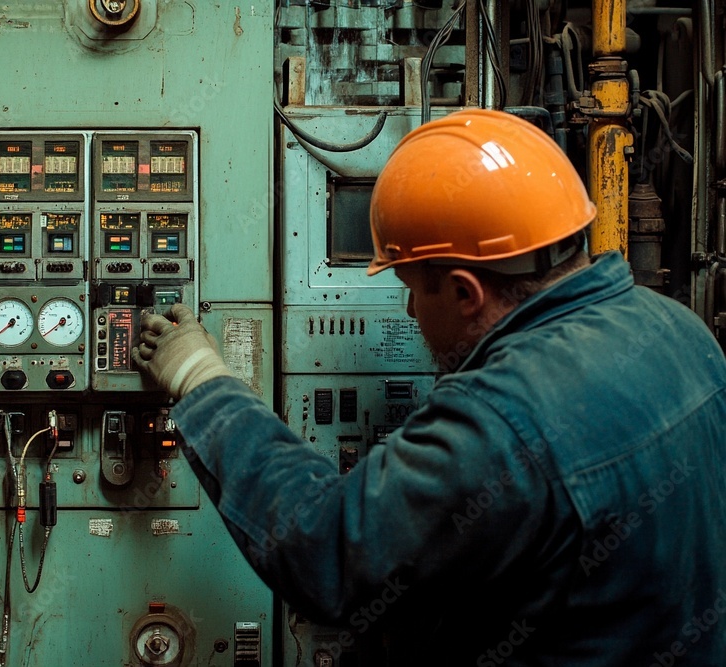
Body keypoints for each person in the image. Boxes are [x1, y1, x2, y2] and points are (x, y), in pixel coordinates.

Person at [131, 109, 726, 665]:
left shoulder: (502, 421)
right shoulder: (675, 328)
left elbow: (327, 551)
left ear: (467, 292)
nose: (411, 312)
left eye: (413, 288)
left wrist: (202, 380)